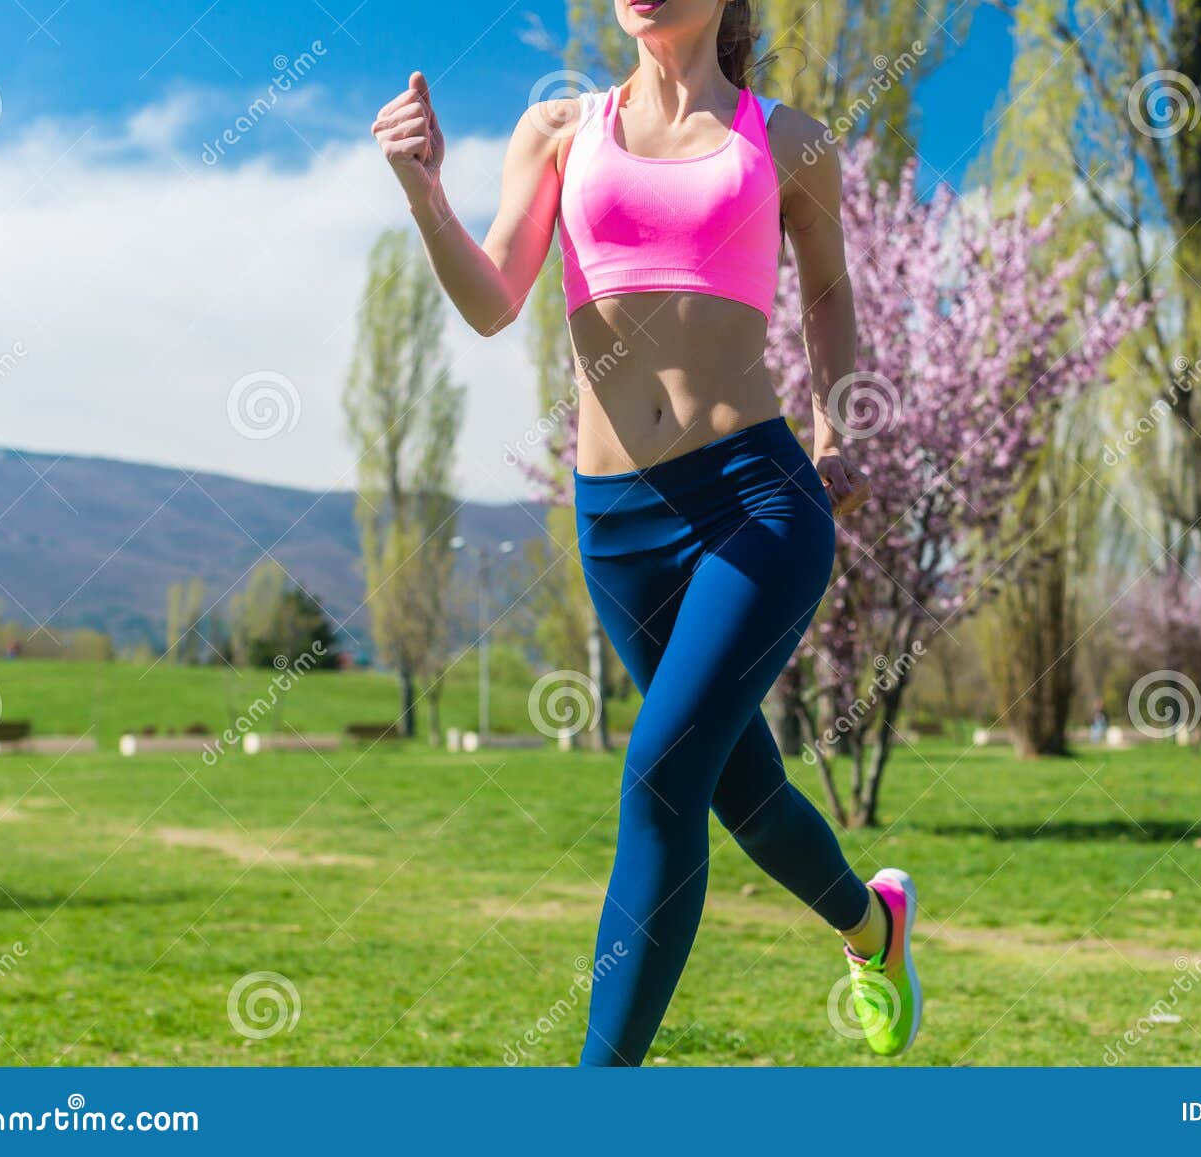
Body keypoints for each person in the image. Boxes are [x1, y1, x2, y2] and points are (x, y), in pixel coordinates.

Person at [372, 0, 920, 1066]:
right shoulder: (560, 133)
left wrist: (838, 425)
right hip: (617, 521)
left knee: (660, 777)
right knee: (741, 791)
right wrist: (422, 191)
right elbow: (491, 301)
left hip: (757, 499)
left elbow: (829, 292)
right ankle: (873, 924)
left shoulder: (789, 141)